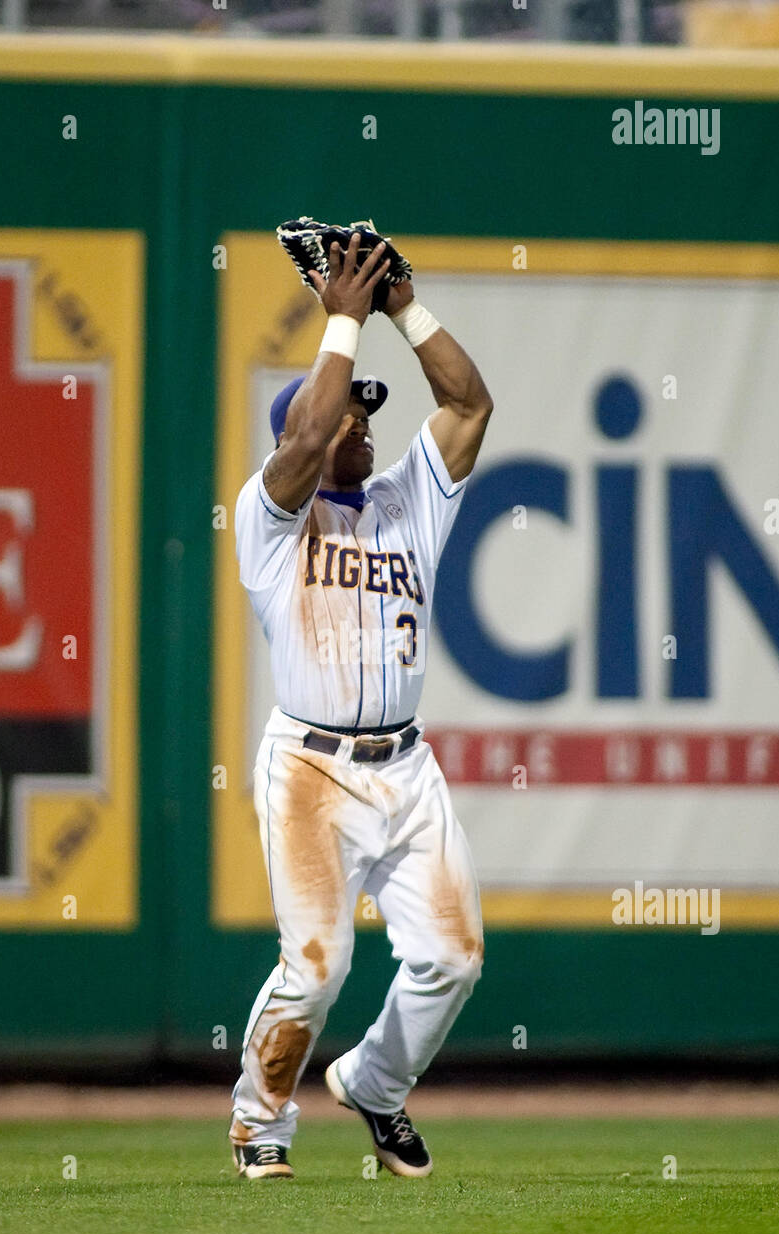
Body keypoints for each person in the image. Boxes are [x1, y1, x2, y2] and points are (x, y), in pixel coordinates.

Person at [231, 232, 493, 1178]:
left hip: (406, 767)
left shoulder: (405, 500)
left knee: (454, 960)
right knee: (316, 969)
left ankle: (376, 1086)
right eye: (347, 414)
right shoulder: (268, 518)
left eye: (365, 412)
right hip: (310, 769)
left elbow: (469, 404)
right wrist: (340, 315)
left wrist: (403, 309)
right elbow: (306, 437)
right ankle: (260, 1123)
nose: (360, 424)